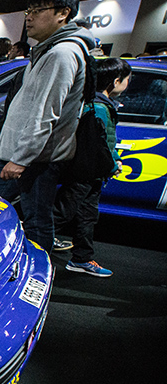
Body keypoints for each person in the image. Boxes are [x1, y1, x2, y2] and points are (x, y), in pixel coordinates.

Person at [0, 0, 96, 253]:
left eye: (38, 10)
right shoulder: (48, 50)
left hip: (36, 160)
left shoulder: (62, 53)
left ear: (63, 13)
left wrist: (21, 158)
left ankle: (37, 271)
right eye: (29, 10)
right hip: (26, 157)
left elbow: (45, 114)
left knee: (27, 220)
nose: (29, 17)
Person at [53, 58, 131, 277]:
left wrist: (113, 159)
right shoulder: (99, 108)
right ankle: (27, 246)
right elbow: (99, 144)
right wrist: (113, 164)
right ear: (115, 81)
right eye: (127, 79)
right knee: (61, 213)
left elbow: (106, 141)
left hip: (92, 173)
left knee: (86, 216)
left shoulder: (100, 104)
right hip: (84, 173)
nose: (128, 84)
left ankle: (82, 258)